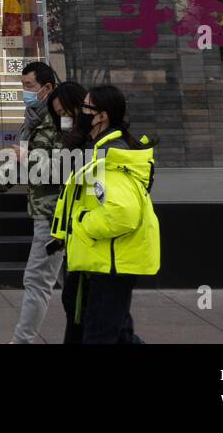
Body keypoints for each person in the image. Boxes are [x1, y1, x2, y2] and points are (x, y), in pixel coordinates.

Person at [49, 85, 160, 344]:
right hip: (100, 261)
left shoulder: (110, 157)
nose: (80, 113)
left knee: (100, 336)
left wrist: (81, 224)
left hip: (109, 265)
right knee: (116, 333)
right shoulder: (101, 149)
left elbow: (122, 213)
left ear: (102, 116)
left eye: (86, 108)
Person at [0, 64, 76, 343]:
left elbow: (63, 167)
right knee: (68, 283)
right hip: (47, 210)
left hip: (55, 212)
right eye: (23, 85)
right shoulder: (32, 120)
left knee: (38, 281)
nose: (25, 93)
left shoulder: (61, 122)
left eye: (29, 86)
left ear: (47, 88)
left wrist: (26, 157)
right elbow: (24, 163)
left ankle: (23, 341)